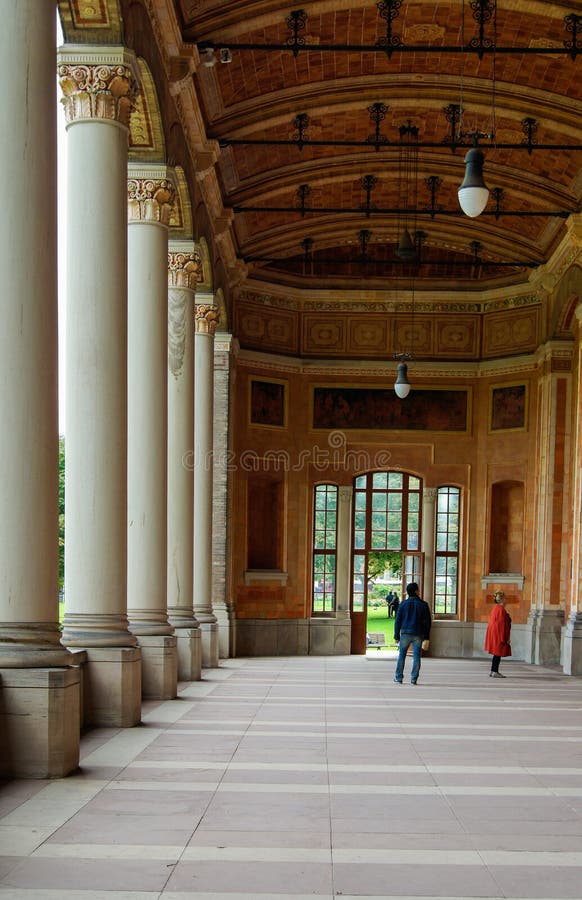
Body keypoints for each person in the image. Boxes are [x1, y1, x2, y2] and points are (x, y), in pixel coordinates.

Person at [393, 583, 432, 685]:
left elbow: (397, 621)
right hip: (418, 633)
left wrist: (396, 635)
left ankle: (398, 677)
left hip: (405, 632)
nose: (419, 591)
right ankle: (413, 679)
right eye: (418, 589)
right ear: (415, 591)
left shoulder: (403, 604)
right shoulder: (423, 604)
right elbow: (428, 622)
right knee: (416, 657)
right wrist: (427, 636)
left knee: (401, 655)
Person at [485, 590, 512, 678]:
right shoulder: (501, 610)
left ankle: (493, 671)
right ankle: (495, 671)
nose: (506, 600)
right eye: (504, 598)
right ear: (501, 599)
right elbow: (501, 625)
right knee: (497, 653)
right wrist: (504, 638)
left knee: (496, 654)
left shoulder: (496, 608)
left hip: (495, 634)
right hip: (499, 635)